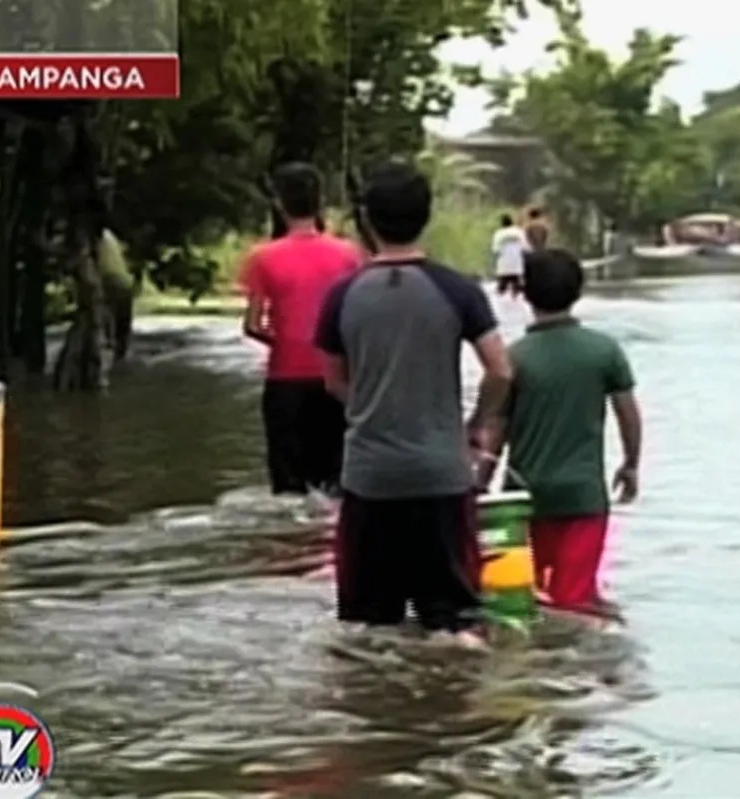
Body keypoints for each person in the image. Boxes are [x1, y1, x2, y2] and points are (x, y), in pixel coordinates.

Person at [314, 161, 513, 640]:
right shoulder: (457, 289)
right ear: (426, 216)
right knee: (453, 626)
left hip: (370, 479)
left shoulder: (343, 295)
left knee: (368, 628)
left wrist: (372, 410)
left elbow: (333, 382)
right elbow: (502, 370)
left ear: (368, 220)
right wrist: (475, 426)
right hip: (442, 476)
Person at [477, 248, 642, 616]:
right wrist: (631, 464)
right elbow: (628, 414)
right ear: (579, 292)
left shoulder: (514, 358)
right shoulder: (604, 351)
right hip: (582, 497)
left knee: (522, 602)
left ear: (523, 293)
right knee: (575, 602)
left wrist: (481, 482)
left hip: (523, 498)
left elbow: (497, 429)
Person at [240, 162, 361, 495]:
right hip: (336, 381)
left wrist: (285, 341)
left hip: (285, 380)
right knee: (335, 484)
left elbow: (253, 325)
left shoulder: (262, 257)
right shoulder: (349, 254)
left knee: (289, 489)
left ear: (278, 203)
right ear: (320, 202)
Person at [491, 213, 528, 297]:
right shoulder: (519, 232)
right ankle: (516, 295)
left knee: (502, 287)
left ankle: (500, 296)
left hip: (504, 264)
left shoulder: (498, 234)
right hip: (516, 263)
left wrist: (495, 261)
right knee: (517, 285)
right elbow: (525, 247)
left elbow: (495, 250)